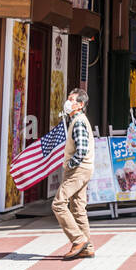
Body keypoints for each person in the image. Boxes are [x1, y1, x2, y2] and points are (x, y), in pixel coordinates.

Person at [53, 89, 96, 260]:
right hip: (84, 169)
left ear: (80, 104)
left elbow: (82, 149)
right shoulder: (77, 120)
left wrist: (70, 166)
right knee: (78, 208)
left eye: (71, 100)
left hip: (78, 170)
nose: (68, 102)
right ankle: (87, 246)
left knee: (58, 203)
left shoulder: (78, 121)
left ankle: (78, 240)